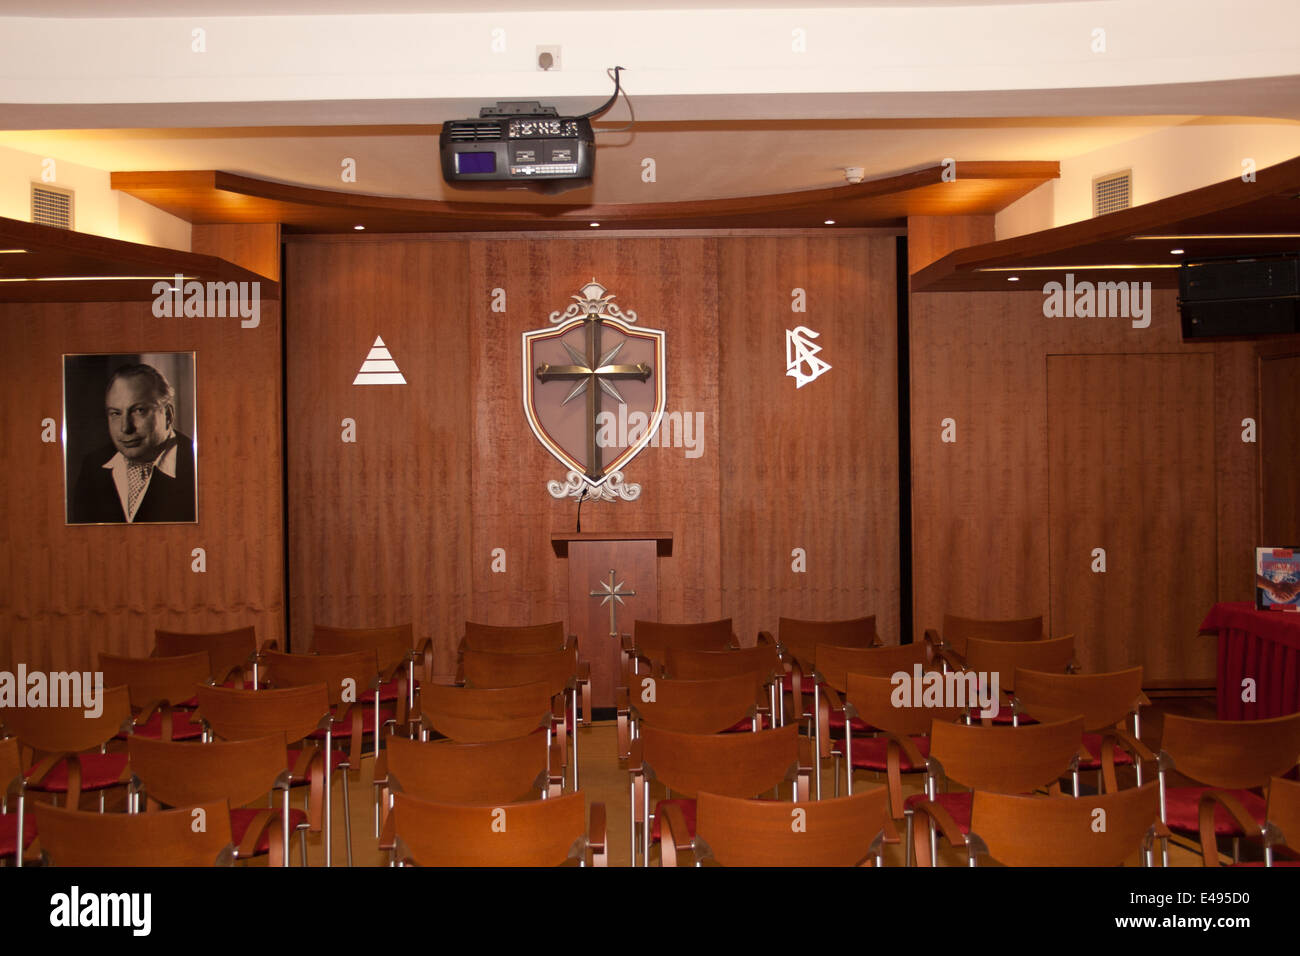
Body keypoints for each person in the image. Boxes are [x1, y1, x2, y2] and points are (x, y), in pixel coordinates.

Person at [69, 363, 196, 524]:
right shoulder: (92, 467)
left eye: (139, 410)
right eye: (115, 413)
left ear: (168, 414)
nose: (125, 427)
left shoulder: (200, 467)